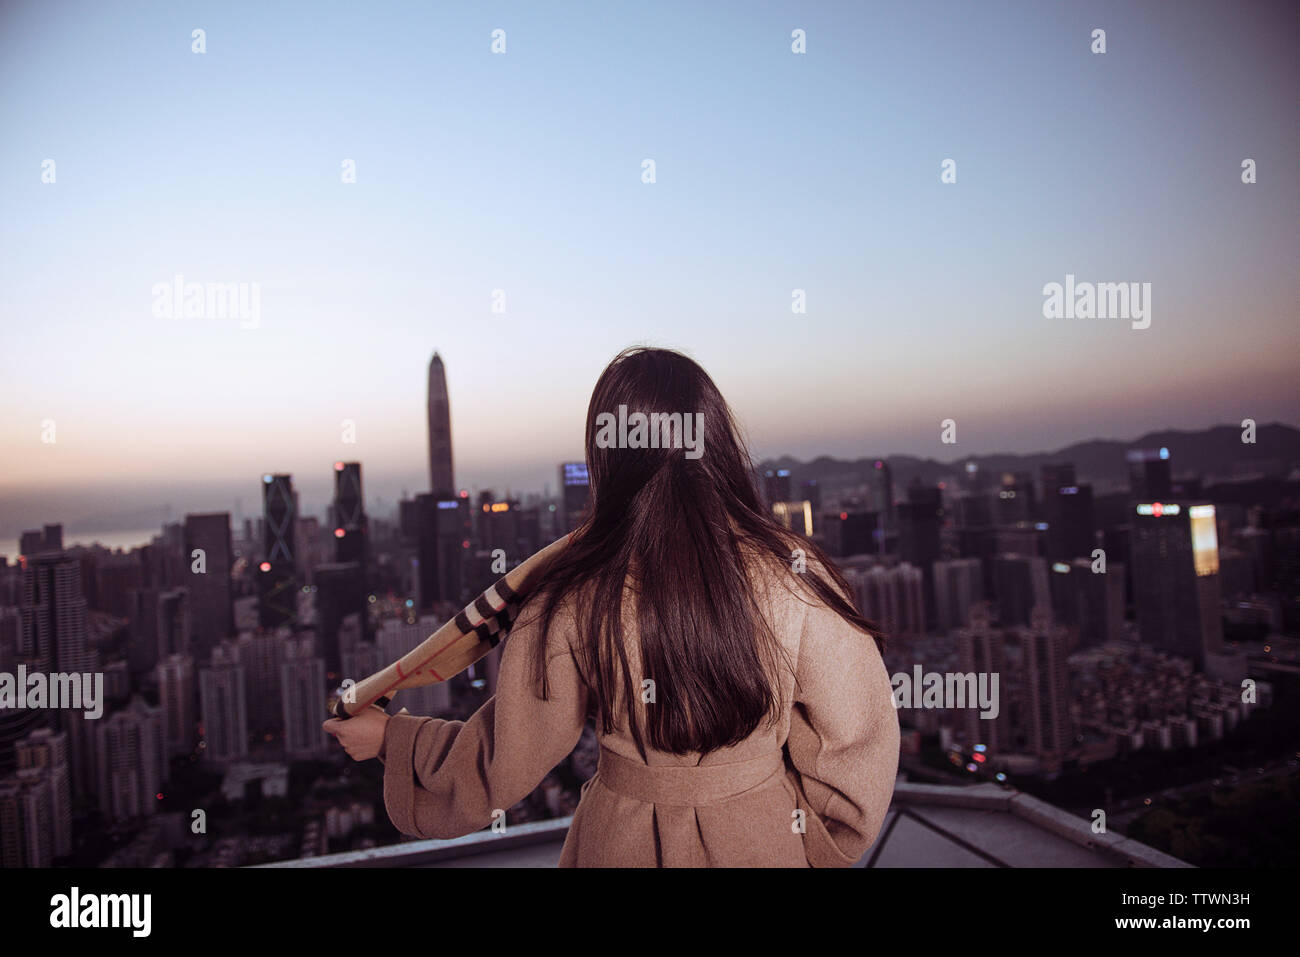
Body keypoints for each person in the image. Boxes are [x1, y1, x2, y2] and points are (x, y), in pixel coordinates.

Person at [324, 346, 899, 866]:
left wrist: (391, 741)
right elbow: (854, 741)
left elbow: (507, 755)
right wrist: (803, 841)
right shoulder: (793, 574)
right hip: (764, 843)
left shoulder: (576, 586)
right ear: (717, 437)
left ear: (608, 455)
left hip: (617, 844)